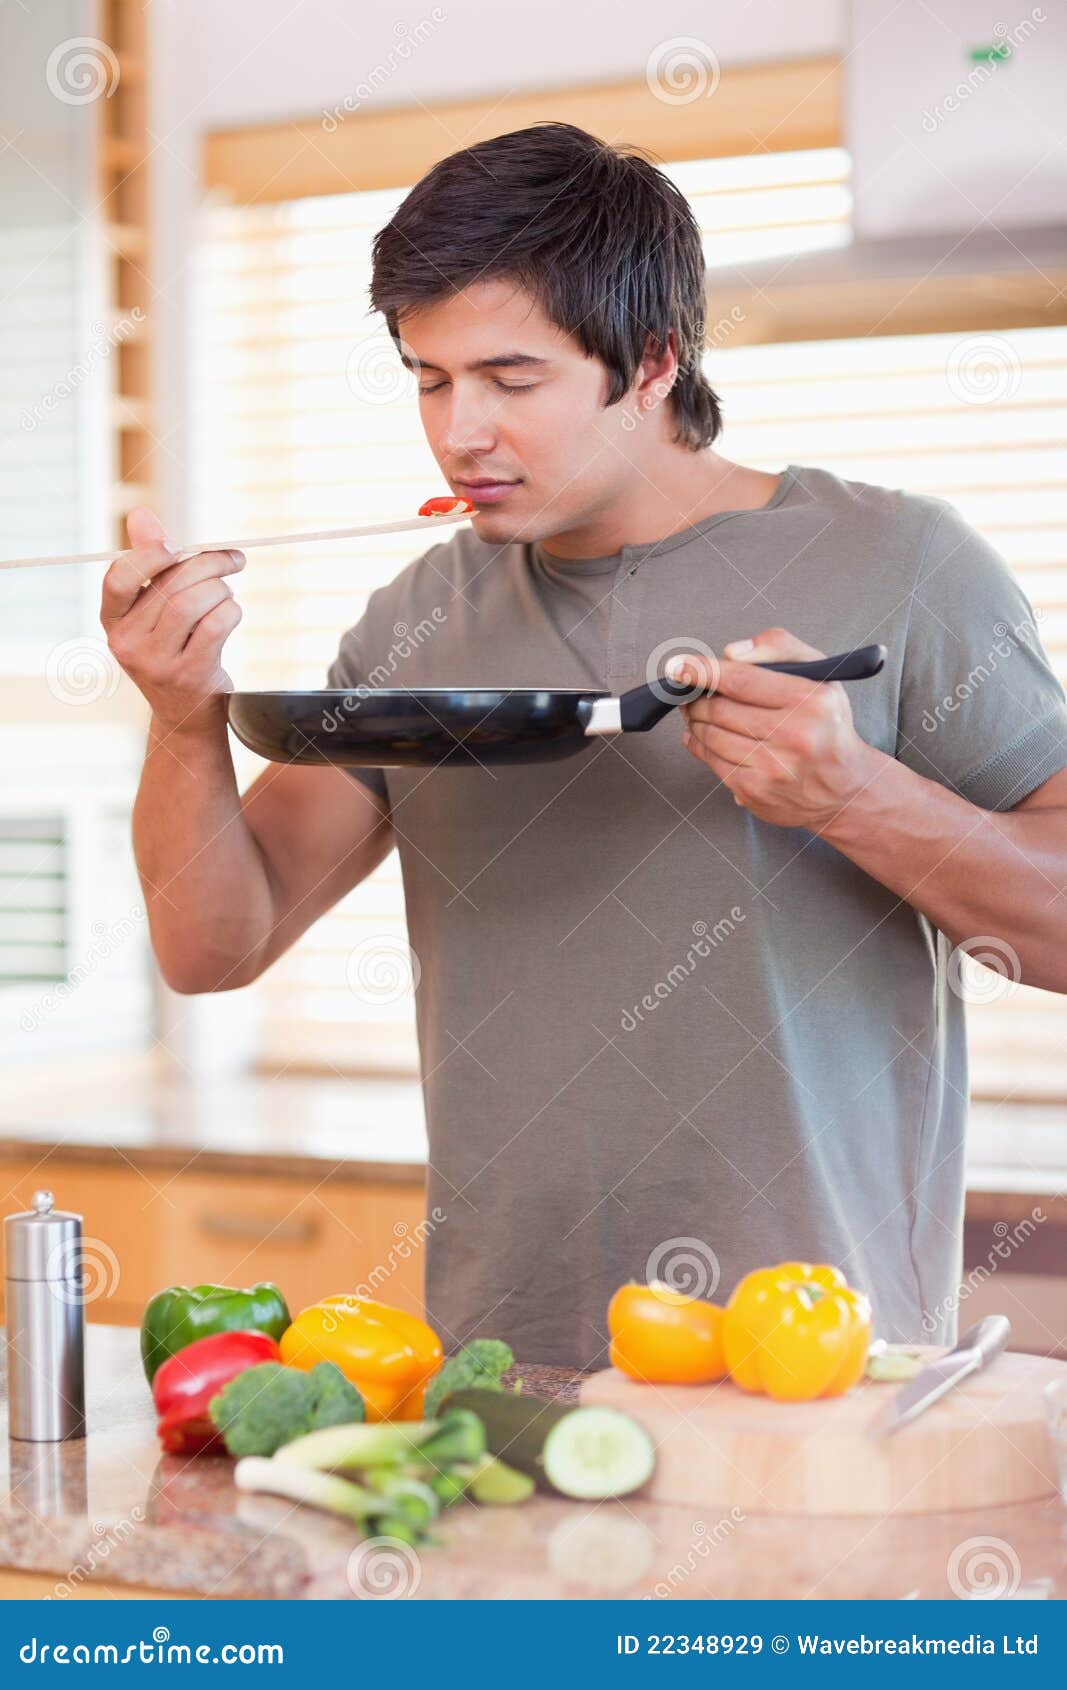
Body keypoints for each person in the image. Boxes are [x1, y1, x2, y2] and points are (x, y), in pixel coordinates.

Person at [104, 122, 1067, 1370]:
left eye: (511, 380)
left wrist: (849, 794)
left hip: (819, 1373)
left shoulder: (903, 564)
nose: (460, 434)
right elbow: (211, 943)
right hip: (508, 1368)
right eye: (427, 378)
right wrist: (182, 720)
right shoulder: (416, 616)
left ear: (652, 360)